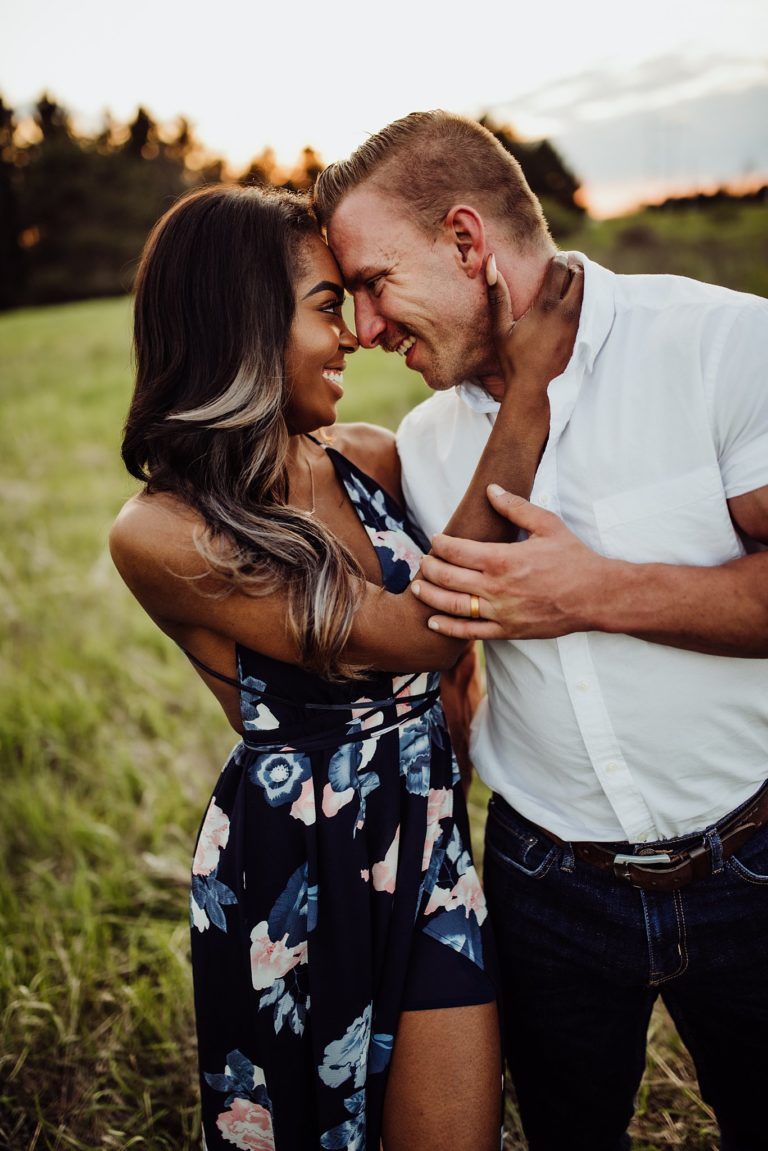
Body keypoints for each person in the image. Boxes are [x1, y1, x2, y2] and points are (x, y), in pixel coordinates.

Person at [314, 109, 768, 1151]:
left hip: (751, 857)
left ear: (466, 240)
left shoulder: (720, 344)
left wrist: (595, 591)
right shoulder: (423, 445)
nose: (366, 328)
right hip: (543, 883)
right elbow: (445, 660)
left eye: (374, 283)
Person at [108, 182, 581, 1151]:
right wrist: (530, 387)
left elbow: (452, 660)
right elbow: (427, 630)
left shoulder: (370, 457)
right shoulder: (162, 531)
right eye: (327, 306)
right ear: (243, 327)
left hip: (429, 839)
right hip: (297, 875)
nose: (354, 334)